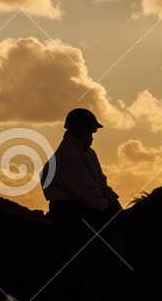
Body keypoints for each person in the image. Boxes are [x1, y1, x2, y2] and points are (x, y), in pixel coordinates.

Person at [42, 107, 125, 284]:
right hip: (69, 210)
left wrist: (116, 204)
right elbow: (84, 189)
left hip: (86, 205)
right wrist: (107, 209)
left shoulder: (88, 152)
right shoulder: (67, 155)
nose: (93, 135)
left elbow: (101, 183)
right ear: (79, 130)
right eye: (91, 131)